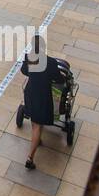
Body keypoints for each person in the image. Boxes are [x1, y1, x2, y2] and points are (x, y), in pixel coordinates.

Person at [19, 33, 63, 170]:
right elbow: (59, 78)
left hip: (30, 92)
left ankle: (38, 139)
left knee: (36, 122)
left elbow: (24, 71)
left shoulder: (29, 57)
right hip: (42, 95)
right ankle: (30, 158)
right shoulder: (50, 62)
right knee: (37, 125)